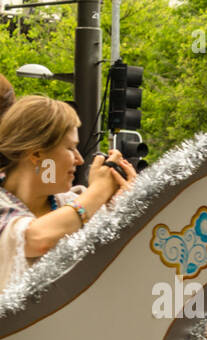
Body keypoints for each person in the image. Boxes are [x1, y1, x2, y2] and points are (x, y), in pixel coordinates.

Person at [0, 95, 135, 288]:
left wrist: (123, 205)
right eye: (70, 148)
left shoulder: (75, 203)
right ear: (37, 154)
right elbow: (36, 239)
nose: (79, 160)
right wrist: (99, 190)